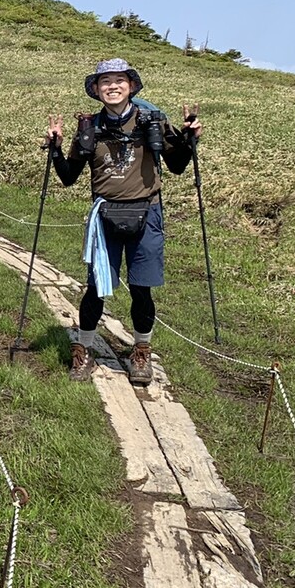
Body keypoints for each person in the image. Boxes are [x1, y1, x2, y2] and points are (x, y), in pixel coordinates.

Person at [44, 58, 203, 384]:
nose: (112, 86)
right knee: (96, 289)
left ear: (131, 86)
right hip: (105, 217)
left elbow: (177, 166)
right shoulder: (89, 128)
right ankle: (83, 351)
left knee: (142, 290)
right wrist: (57, 150)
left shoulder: (153, 121)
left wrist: (188, 141)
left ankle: (141, 352)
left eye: (119, 80)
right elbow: (69, 177)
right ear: (96, 90)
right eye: (105, 82)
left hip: (148, 213)